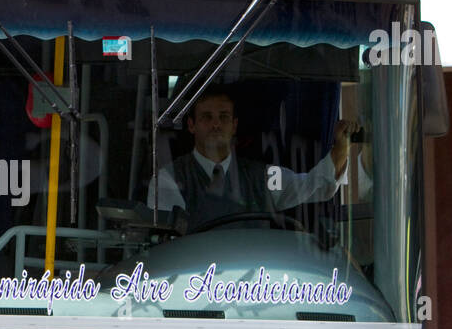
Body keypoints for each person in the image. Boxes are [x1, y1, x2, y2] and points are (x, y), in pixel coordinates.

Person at [148, 85, 360, 227]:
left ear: (234, 125)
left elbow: (314, 185)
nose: (216, 124)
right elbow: (168, 240)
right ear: (191, 125)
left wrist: (341, 147)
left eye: (224, 117)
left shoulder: (264, 176)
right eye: (206, 117)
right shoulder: (168, 179)